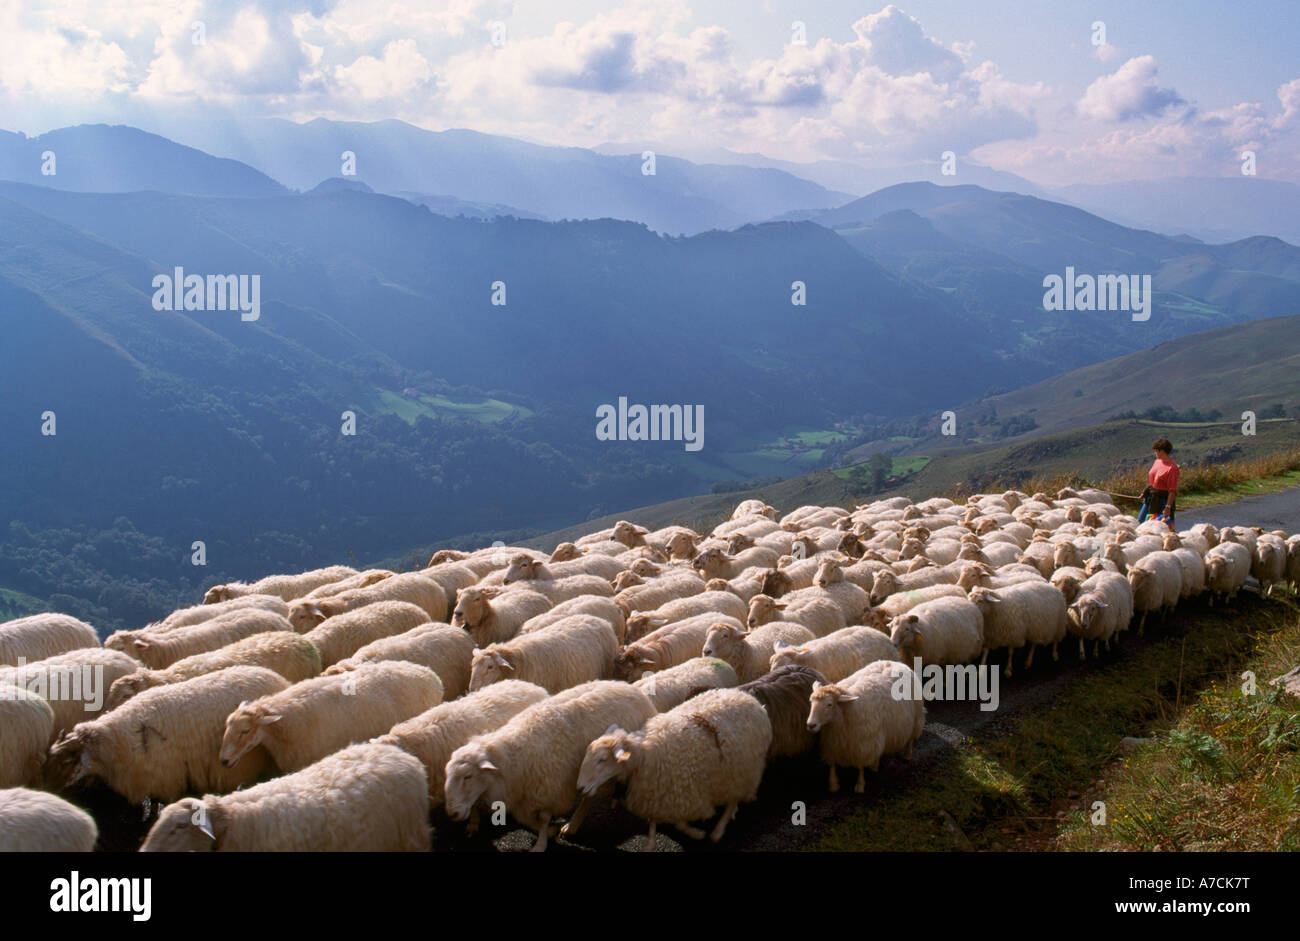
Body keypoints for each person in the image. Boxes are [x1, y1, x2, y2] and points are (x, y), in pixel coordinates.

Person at [1138, 437, 1179, 529]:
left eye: (1156, 451)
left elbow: (1172, 490)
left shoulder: (1173, 468)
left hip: (1162, 501)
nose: (1154, 453)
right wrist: (1144, 493)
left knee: (1162, 527)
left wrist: (1168, 507)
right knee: (1140, 522)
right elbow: (1153, 481)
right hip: (1151, 498)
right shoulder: (1157, 462)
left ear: (1162, 451)